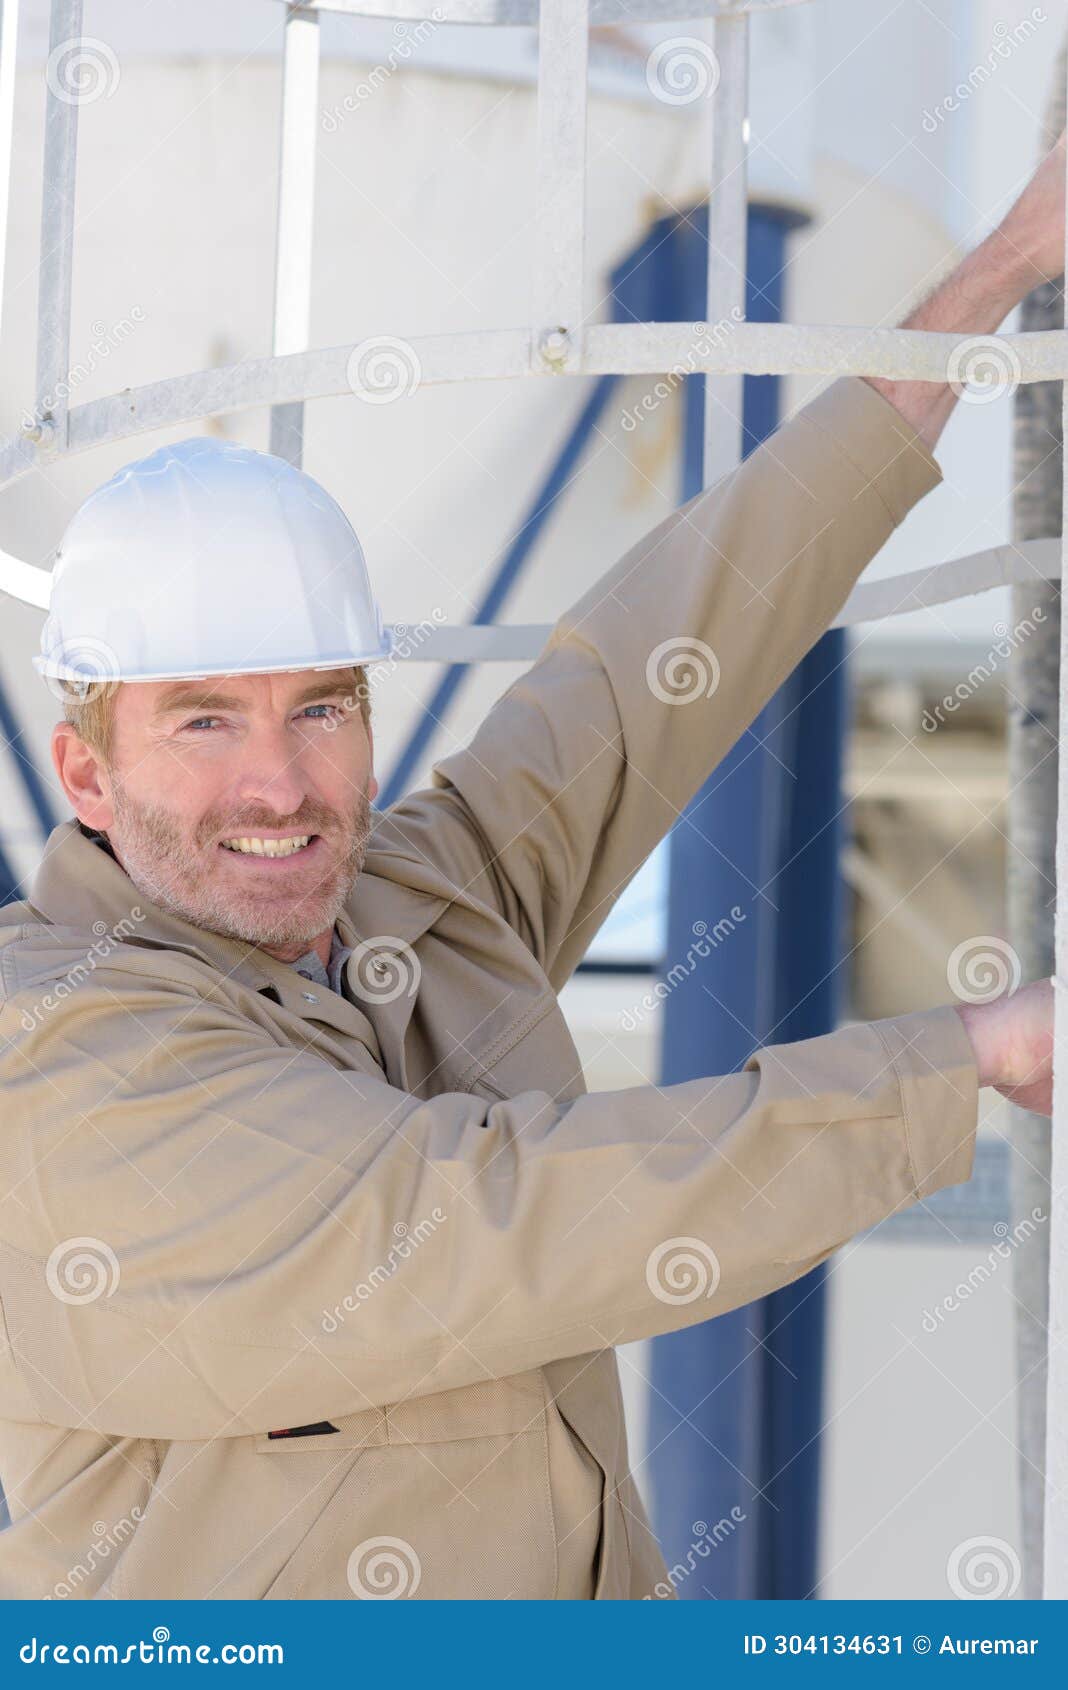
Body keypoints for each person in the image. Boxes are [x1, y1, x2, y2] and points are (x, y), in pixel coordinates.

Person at [0, 134, 1062, 1603]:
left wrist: (1002, 268)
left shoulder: (409, 911)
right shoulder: (57, 1060)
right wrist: (965, 1055)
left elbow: (644, 675)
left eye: (321, 707)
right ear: (86, 777)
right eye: (203, 721)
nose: (279, 784)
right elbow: (489, 1223)